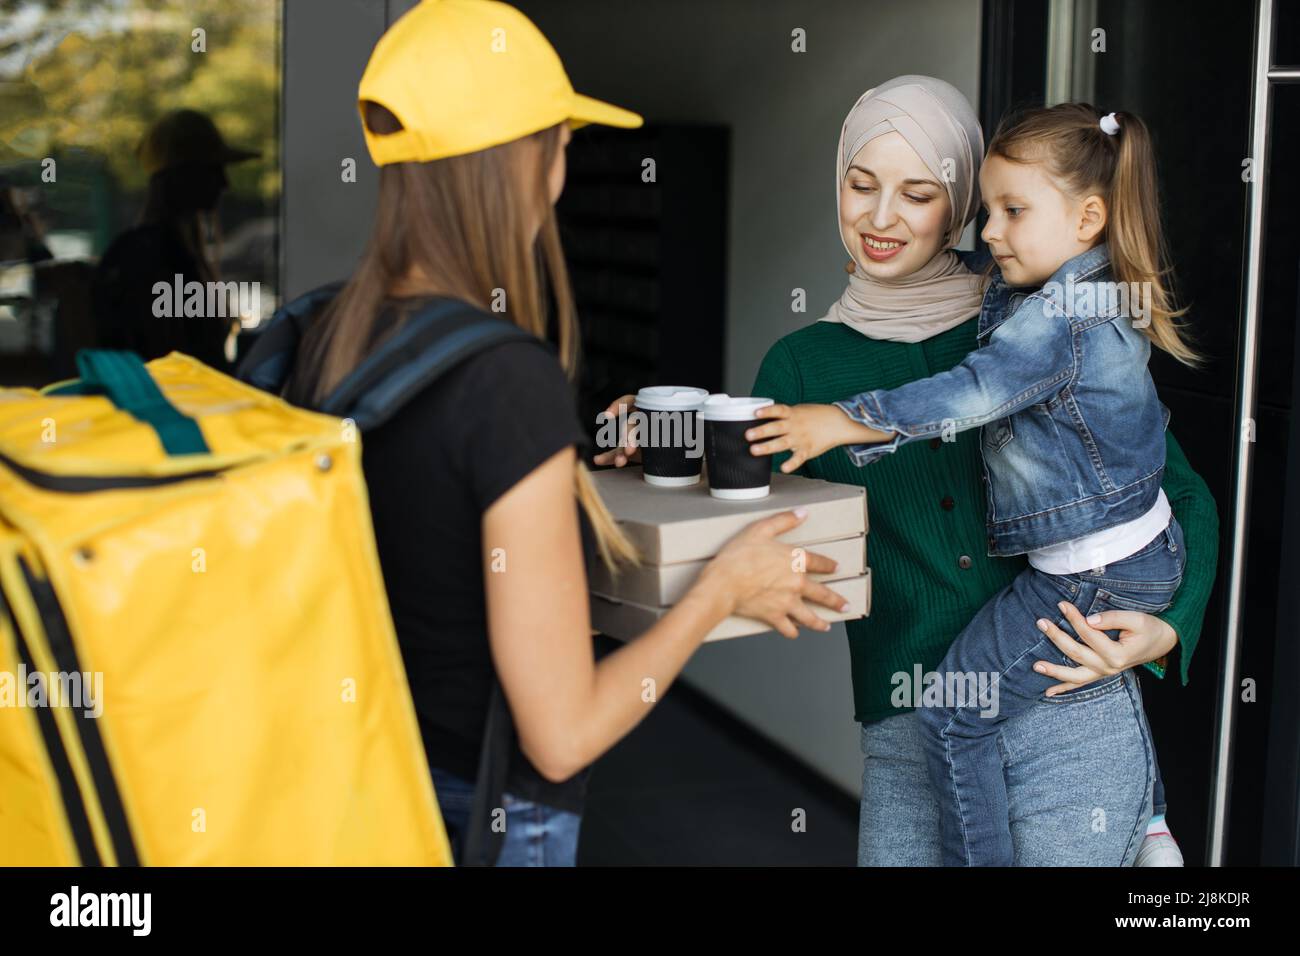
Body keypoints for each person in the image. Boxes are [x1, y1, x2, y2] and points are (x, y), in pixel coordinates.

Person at [278, 0, 848, 867]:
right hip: (478, 819)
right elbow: (562, 735)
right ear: (522, 159)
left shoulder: (320, 334)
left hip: (357, 789)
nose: (569, 158)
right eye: (561, 137)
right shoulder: (506, 381)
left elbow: (426, 512)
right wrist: (718, 592)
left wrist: (557, 461)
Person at [600, 76, 1217, 866]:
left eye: (918, 193)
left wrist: (1169, 629)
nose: (880, 217)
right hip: (911, 723)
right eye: (860, 186)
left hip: (1069, 702)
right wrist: (652, 430)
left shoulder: (1032, 318)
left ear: (961, 201)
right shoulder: (803, 364)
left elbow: (1177, 492)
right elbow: (739, 485)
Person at [92, 108, 256, 371]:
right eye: (213, 170)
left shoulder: (154, 252)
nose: (225, 183)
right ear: (182, 176)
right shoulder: (152, 259)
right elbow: (172, 360)